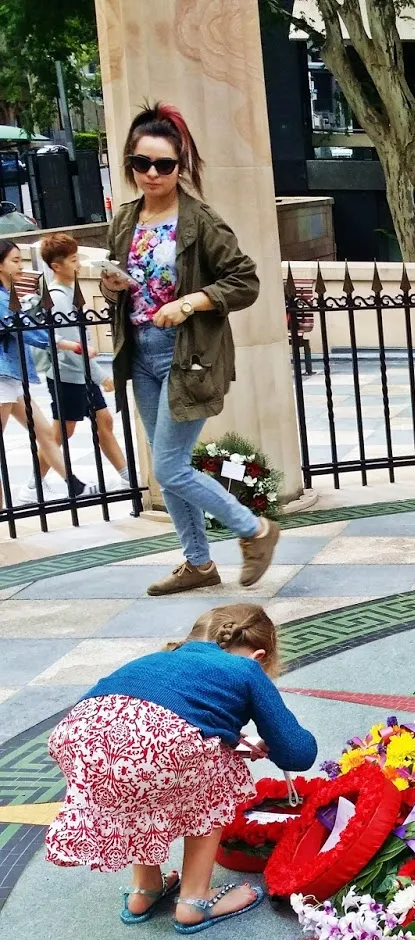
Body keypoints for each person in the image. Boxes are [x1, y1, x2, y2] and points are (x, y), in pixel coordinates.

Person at [99, 103, 280, 597]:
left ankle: (254, 530)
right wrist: (113, 286)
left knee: (170, 467)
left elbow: (245, 281)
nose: (152, 174)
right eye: (142, 163)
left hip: (187, 355)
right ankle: (198, 563)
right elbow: (126, 285)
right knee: (168, 466)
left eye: (164, 164)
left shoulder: (200, 221)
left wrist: (192, 301)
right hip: (139, 351)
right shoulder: (125, 219)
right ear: (129, 164)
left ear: (181, 166)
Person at [44, 604, 316, 932]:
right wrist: (275, 741)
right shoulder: (245, 669)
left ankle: (144, 889)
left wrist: (232, 738)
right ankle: (195, 899)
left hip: (80, 745)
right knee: (216, 769)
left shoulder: (151, 660)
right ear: (259, 656)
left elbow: (149, 717)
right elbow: (298, 754)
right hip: (151, 747)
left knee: (140, 777)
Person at [31, 232, 130, 489]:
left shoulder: (67, 291)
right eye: (73, 260)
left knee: (103, 421)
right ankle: (34, 484)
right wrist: (102, 376)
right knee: (62, 432)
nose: (79, 265)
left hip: (78, 373)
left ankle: (126, 474)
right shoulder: (59, 297)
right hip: (68, 375)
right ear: (56, 265)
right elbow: (71, 348)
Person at [0, 238, 92, 504]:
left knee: (44, 432)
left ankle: (74, 484)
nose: (20, 266)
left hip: (13, 376)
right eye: (15, 261)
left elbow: (27, 325)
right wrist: (63, 343)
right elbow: (25, 330)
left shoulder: (9, 295)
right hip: (3, 375)